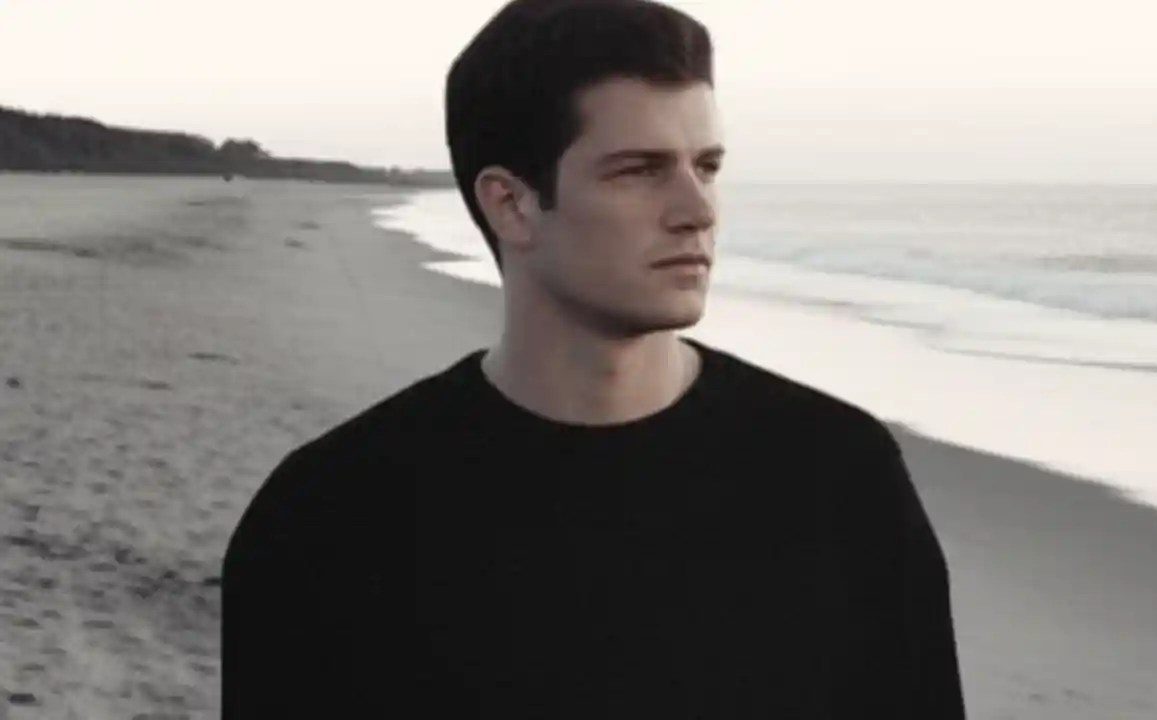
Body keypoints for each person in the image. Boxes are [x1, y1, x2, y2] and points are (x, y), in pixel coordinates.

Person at [220, 0, 966, 717]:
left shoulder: (839, 477)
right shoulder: (331, 519)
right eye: (639, 170)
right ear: (511, 204)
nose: (697, 209)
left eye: (706, 167)